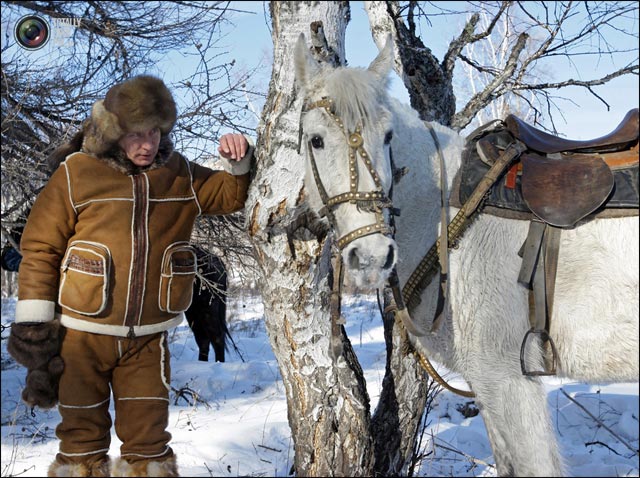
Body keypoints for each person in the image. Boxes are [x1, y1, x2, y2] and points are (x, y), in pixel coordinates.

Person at [7, 75, 254, 477]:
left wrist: (238, 160)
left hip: (147, 340)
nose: (147, 144)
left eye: (155, 132)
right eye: (137, 134)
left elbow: (228, 194)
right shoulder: (77, 173)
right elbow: (40, 249)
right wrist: (35, 324)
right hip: (81, 336)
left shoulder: (179, 174)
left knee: (149, 446)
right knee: (81, 445)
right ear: (114, 132)